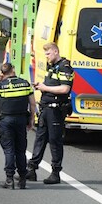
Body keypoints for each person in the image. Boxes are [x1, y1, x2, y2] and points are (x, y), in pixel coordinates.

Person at [25, 42, 75, 185]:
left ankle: (55, 172)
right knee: (39, 139)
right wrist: (41, 87)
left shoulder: (65, 67)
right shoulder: (52, 66)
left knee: (54, 141)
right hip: (46, 108)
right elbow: (53, 85)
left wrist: (45, 87)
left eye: (48, 54)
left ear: (55, 51)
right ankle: (31, 169)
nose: (46, 57)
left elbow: (65, 89)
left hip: (56, 109)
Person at [0, 61, 34, 190]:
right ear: (13, 70)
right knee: (20, 150)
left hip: (6, 121)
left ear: (3, 73)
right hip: (21, 120)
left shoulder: (1, 86)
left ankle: (9, 179)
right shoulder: (25, 83)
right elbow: (33, 104)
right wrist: (31, 119)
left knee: (9, 150)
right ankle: (23, 179)